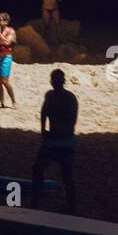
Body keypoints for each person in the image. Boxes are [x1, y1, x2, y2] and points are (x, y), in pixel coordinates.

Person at [32, 69, 77, 212]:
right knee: (66, 175)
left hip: (57, 140)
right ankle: (71, 205)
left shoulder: (56, 96)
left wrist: (45, 132)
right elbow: (45, 113)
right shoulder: (68, 97)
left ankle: (36, 201)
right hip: (63, 140)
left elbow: (45, 113)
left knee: (40, 170)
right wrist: (44, 131)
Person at [0, 12, 17, 108]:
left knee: (5, 81)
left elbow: (7, 42)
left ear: (5, 22)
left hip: (6, 57)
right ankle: (2, 103)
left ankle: (13, 101)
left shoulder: (11, 31)